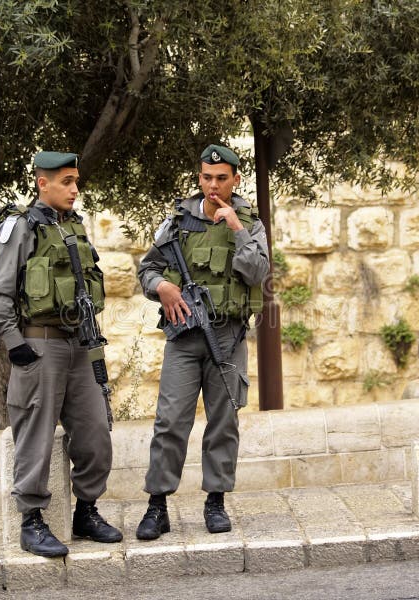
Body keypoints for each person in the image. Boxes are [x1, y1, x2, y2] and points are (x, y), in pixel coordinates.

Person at [0, 151, 122, 557]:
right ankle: (32, 521)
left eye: (76, 181)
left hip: (80, 344)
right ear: (43, 183)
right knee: (35, 436)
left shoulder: (73, 227)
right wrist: (16, 347)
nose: (75, 189)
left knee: (96, 432)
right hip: (38, 344)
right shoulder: (20, 228)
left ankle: (87, 511)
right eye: (66, 181)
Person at [135, 144, 270, 539]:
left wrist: (237, 229)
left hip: (227, 337)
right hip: (184, 335)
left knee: (224, 420)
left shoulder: (250, 223)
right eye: (207, 178)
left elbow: (257, 272)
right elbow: (147, 269)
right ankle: (157, 506)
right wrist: (162, 287)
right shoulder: (177, 223)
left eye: (222, 178)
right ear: (199, 178)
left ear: (235, 180)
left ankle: (216, 501)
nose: (214, 186)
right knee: (170, 421)